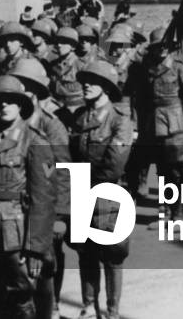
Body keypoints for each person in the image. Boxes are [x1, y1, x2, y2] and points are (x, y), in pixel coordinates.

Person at [0, 76, 55, 319]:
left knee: (19, 295)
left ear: (21, 105)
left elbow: (44, 198)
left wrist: (35, 246)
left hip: (16, 235)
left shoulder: (35, 140)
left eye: (10, 100)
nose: (4, 105)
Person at [8, 57, 72, 319]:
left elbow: (63, 171)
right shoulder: (8, 122)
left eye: (25, 86)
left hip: (44, 207)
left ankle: (51, 306)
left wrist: (60, 216)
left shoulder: (50, 125)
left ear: (35, 92)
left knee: (46, 263)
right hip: (15, 208)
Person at [70, 60, 132, 319]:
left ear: (106, 87)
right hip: (80, 191)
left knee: (112, 256)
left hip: (107, 193)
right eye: (85, 81)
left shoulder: (119, 120)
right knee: (85, 253)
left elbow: (114, 165)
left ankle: (112, 312)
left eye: (93, 81)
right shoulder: (79, 117)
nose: (86, 85)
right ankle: (89, 307)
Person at [128, 28, 183, 219]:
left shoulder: (180, 67)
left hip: (175, 122)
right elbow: (142, 98)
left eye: (165, 45)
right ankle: (166, 207)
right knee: (161, 165)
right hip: (153, 123)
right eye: (158, 46)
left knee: (176, 167)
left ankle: (177, 210)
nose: (162, 49)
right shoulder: (146, 68)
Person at [50, 27, 84, 110]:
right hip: (57, 104)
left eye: (63, 42)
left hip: (76, 107)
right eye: (58, 41)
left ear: (73, 46)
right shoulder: (54, 64)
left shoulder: (80, 66)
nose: (59, 45)